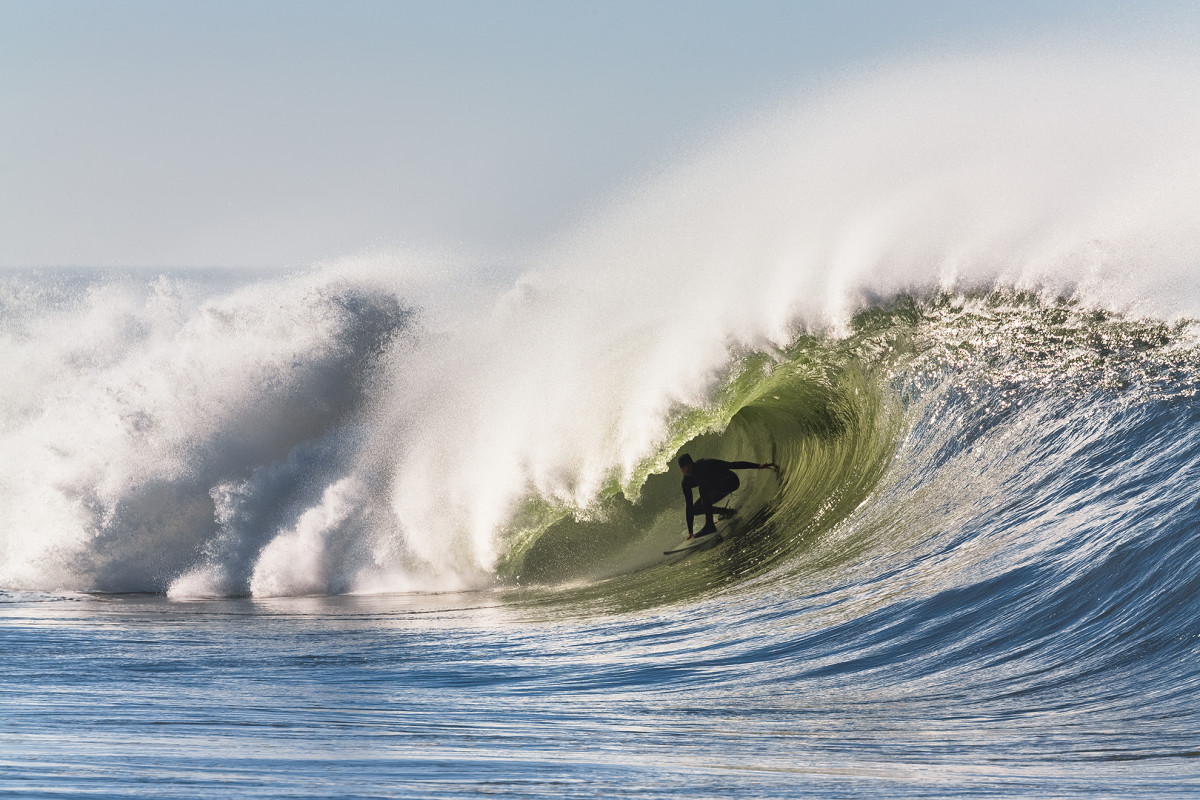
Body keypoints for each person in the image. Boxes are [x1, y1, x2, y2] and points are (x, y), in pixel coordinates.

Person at [679, 453, 779, 538]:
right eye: (683, 467)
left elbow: (731, 465)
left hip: (731, 481)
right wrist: (690, 532)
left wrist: (758, 466)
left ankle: (709, 525)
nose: (686, 469)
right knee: (695, 509)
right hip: (715, 489)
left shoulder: (705, 464)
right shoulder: (686, 482)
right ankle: (726, 512)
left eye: (688, 465)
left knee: (703, 488)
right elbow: (689, 506)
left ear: (692, 463)